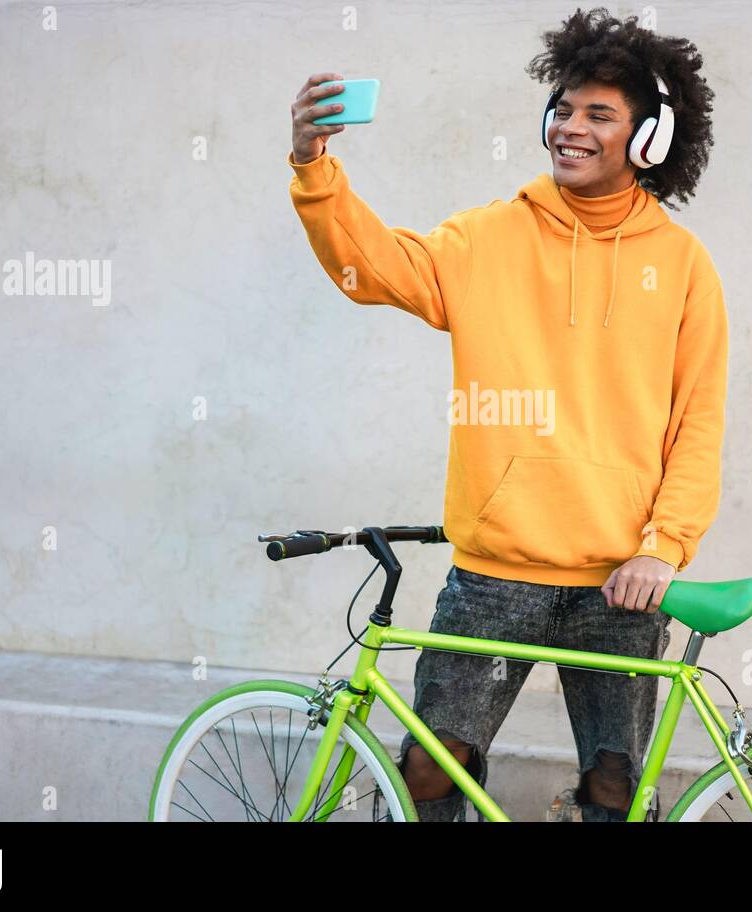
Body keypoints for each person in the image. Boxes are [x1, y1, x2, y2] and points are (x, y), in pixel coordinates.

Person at [287, 7, 726, 822]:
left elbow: (697, 423)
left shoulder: (684, 267)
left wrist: (665, 548)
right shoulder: (485, 238)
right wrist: (315, 167)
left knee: (616, 789)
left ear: (651, 139)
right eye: (564, 107)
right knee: (428, 772)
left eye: (600, 114)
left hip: (620, 583)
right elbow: (371, 269)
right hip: (495, 573)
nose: (572, 126)